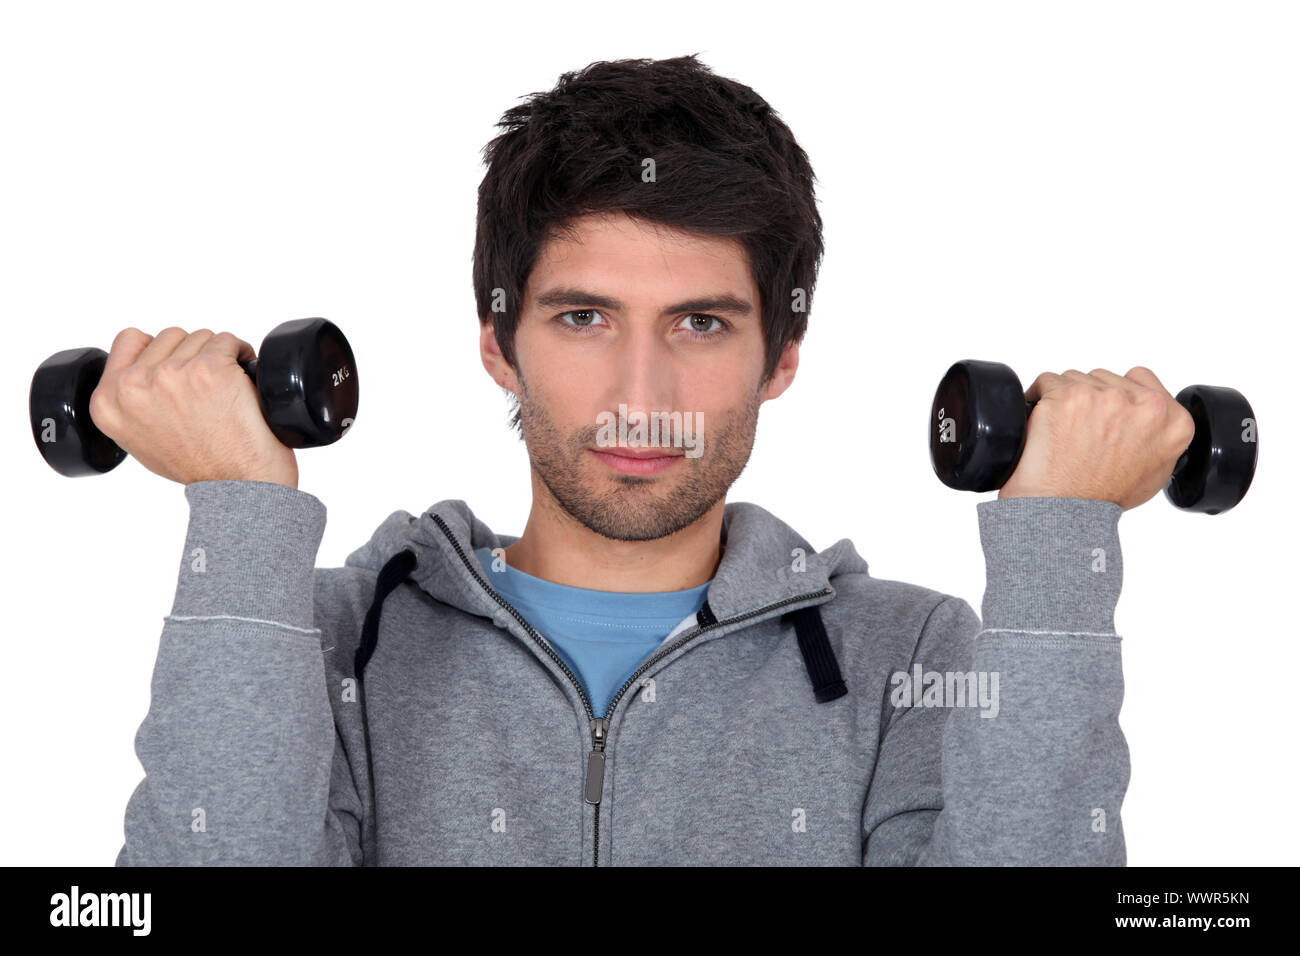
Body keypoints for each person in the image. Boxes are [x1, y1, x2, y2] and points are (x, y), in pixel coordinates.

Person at [104, 55, 1193, 865]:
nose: (641, 395)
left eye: (701, 324)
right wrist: (242, 512)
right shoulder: (323, 639)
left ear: (782, 356)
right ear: (496, 343)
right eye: (583, 317)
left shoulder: (905, 652)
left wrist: (1058, 542)